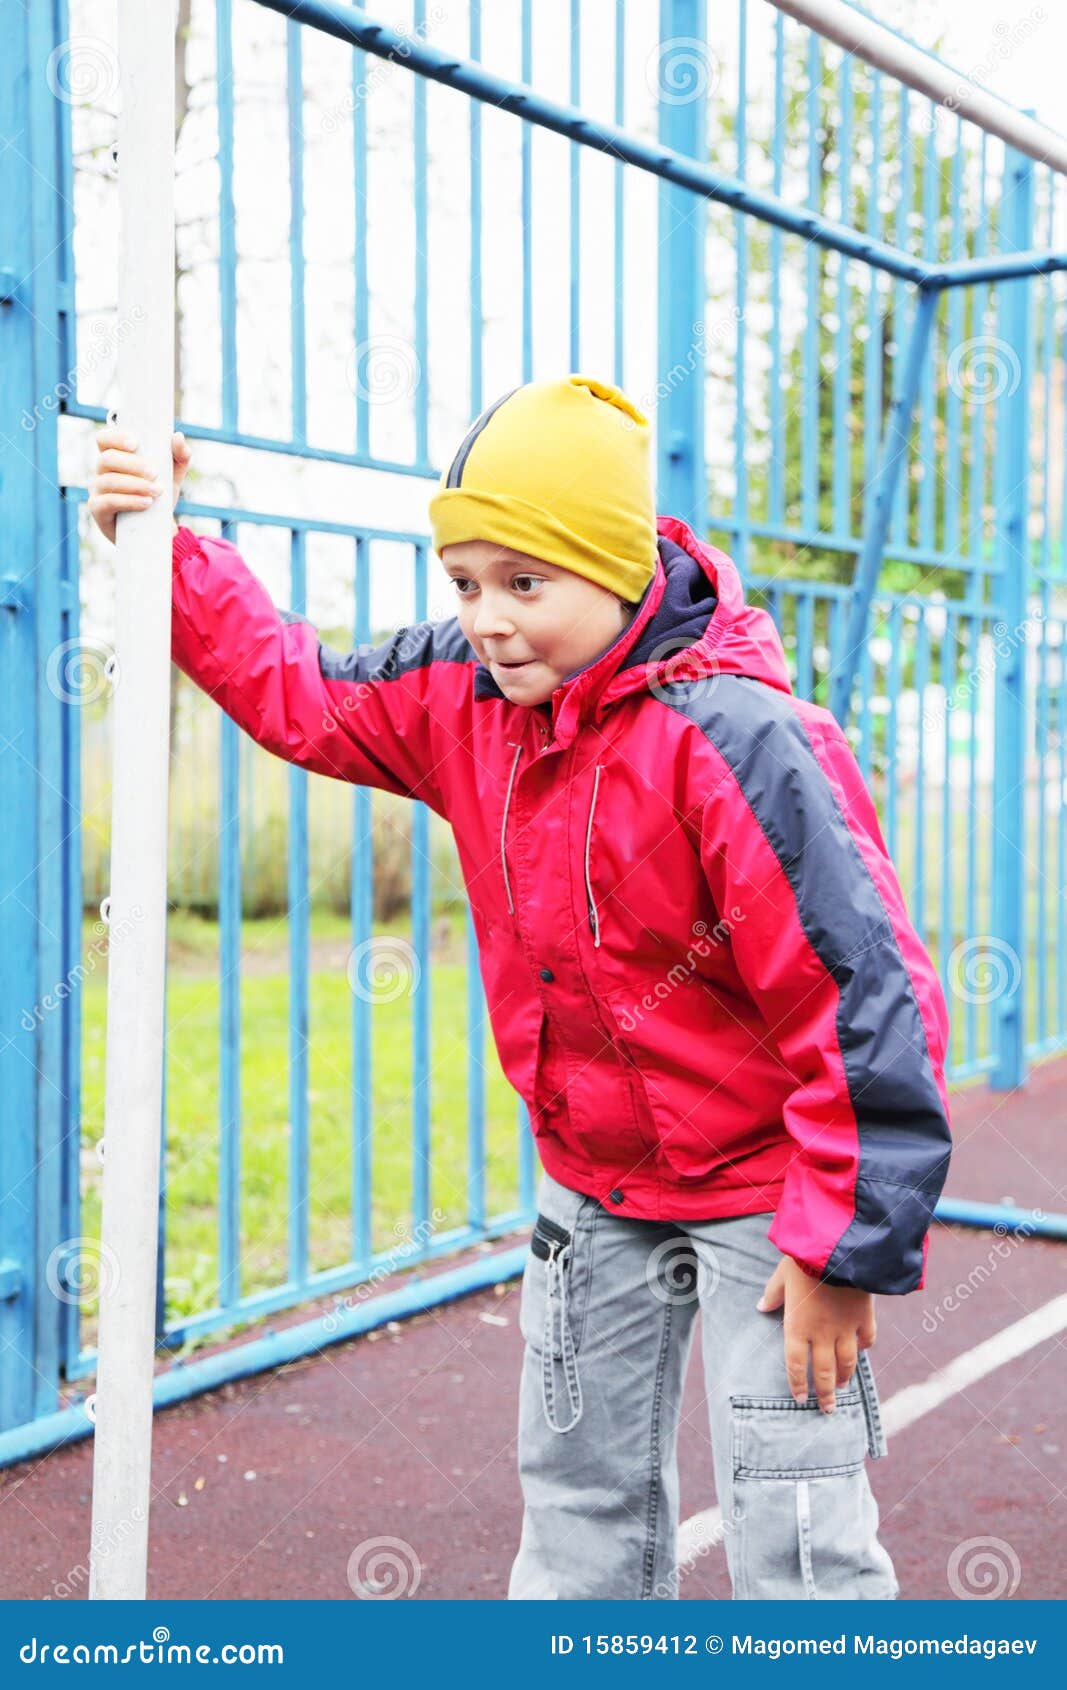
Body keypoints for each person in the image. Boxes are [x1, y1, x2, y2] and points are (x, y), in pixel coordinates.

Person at [88, 374, 952, 1600]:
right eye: (464, 582)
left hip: (771, 1192)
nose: (487, 618)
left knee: (795, 1523)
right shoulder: (464, 698)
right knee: (576, 1493)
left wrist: (842, 1248)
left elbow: (863, 996)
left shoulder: (738, 739)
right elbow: (299, 693)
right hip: (592, 1177)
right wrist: (162, 548)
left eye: (523, 583)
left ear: (615, 567)